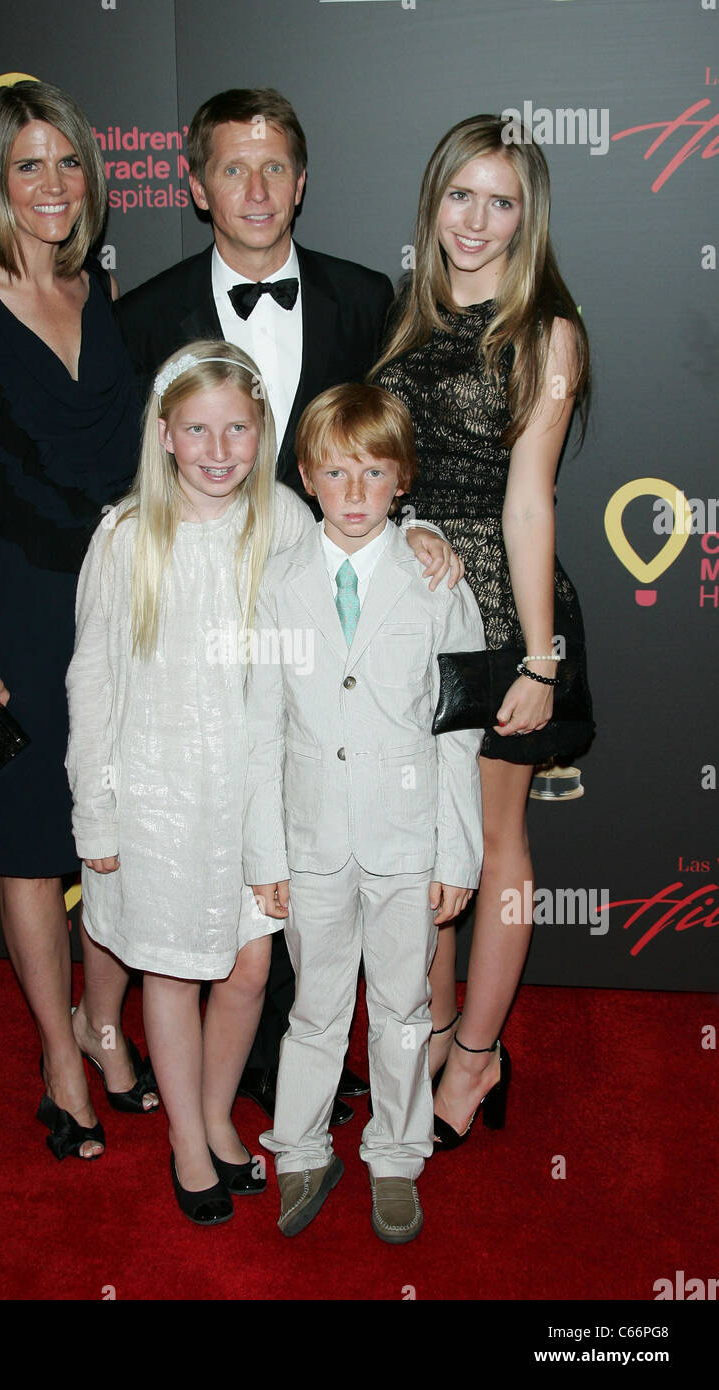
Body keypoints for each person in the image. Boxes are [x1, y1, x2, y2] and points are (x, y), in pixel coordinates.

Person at [109, 87, 463, 1122]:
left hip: (331, 614)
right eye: (232, 167)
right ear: (194, 183)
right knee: (232, 821)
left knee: (320, 813)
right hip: (199, 619)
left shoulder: (367, 300)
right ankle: (234, 1060)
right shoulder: (143, 316)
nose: (256, 189)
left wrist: (421, 524)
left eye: (275, 169)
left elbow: (402, 440)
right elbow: (112, 466)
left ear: (301, 183)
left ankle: (311, 1044)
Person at [0, 79, 154, 1164]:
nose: (54, 185)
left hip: (119, 605)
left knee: (120, 839)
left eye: (68, 164)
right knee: (25, 848)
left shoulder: (98, 285)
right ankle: (59, 1052)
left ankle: (106, 1023)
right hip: (8, 604)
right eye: (28, 165)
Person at [372, 114, 592, 1147]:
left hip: (504, 615)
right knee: (426, 849)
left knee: (497, 844)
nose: (477, 219)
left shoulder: (546, 330)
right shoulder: (398, 314)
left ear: (527, 215)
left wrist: (540, 659)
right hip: (409, 616)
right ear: (434, 199)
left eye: (501, 200)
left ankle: (477, 1058)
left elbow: (529, 504)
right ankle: (433, 1028)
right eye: (461, 193)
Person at [66, 341, 315, 1223]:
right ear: (165, 435)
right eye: (198, 429)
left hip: (254, 798)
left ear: (261, 432)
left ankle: (214, 1116)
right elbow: (90, 683)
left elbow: (353, 570)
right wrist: (94, 818)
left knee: (250, 968)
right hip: (157, 800)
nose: (218, 449)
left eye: (237, 429)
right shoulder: (127, 535)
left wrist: (427, 540)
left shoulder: (283, 520)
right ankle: (183, 1137)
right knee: (169, 972)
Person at [243, 384, 484, 1241]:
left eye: (373, 473)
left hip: (408, 836)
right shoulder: (276, 581)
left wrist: (460, 854)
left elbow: (458, 728)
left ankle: (395, 1154)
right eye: (336, 472)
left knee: (402, 1007)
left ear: (401, 479)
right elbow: (260, 725)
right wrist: (263, 852)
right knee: (313, 1003)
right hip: (308, 837)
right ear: (306, 476)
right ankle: (300, 1147)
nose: (353, 492)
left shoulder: (434, 576)